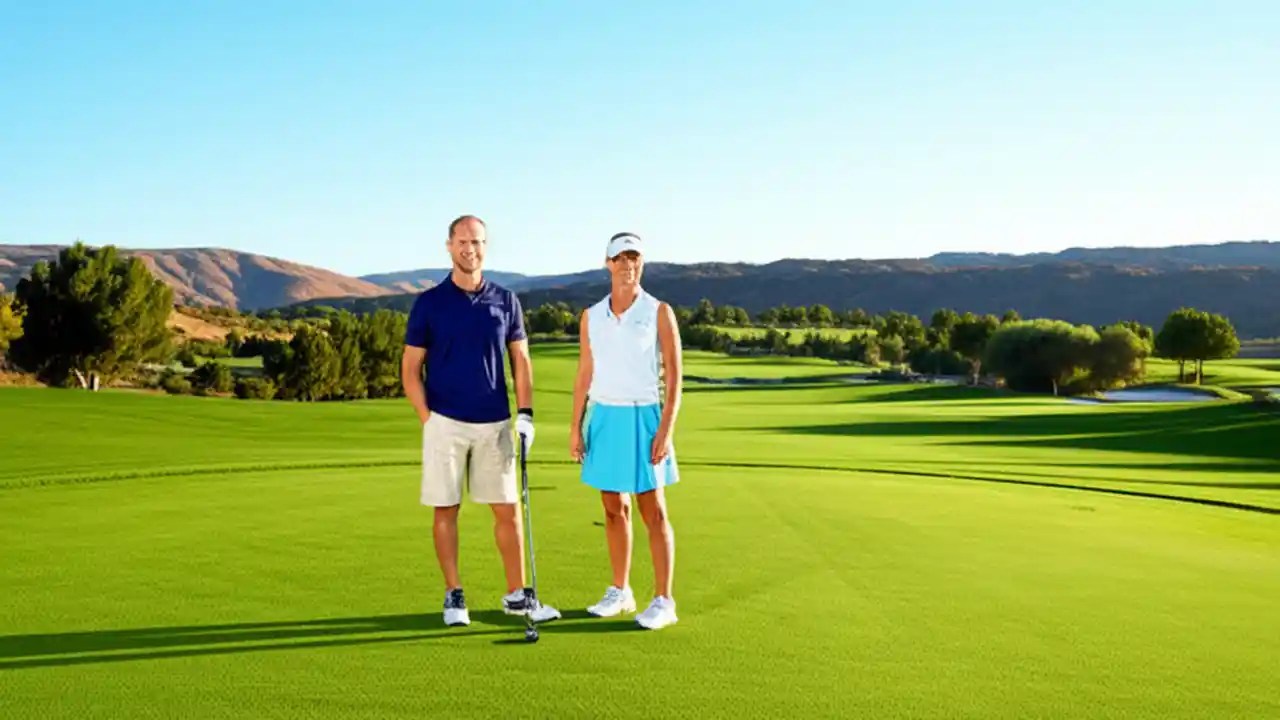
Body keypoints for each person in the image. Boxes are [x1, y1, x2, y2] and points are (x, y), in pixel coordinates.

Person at [401, 214, 560, 627]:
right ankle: (454, 596)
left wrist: (525, 414)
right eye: (463, 242)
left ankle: (516, 595)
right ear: (449, 246)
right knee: (445, 510)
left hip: (495, 422)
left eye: (478, 242)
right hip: (446, 421)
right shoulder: (429, 303)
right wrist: (427, 418)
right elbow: (410, 369)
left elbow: (521, 361)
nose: (470, 249)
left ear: (486, 246)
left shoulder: (506, 301)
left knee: (508, 511)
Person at [570, 231, 683, 630]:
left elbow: (675, 377)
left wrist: (665, 430)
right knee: (613, 509)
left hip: (643, 416)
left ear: (641, 262)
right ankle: (621, 591)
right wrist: (576, 428)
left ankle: (664, 600)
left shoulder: (658, 311)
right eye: (620, 258)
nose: (627, 264)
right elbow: (585, 373)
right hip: (605, 416)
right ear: (608, 264)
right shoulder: (592, 316)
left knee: (652, 510)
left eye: (633, 257)